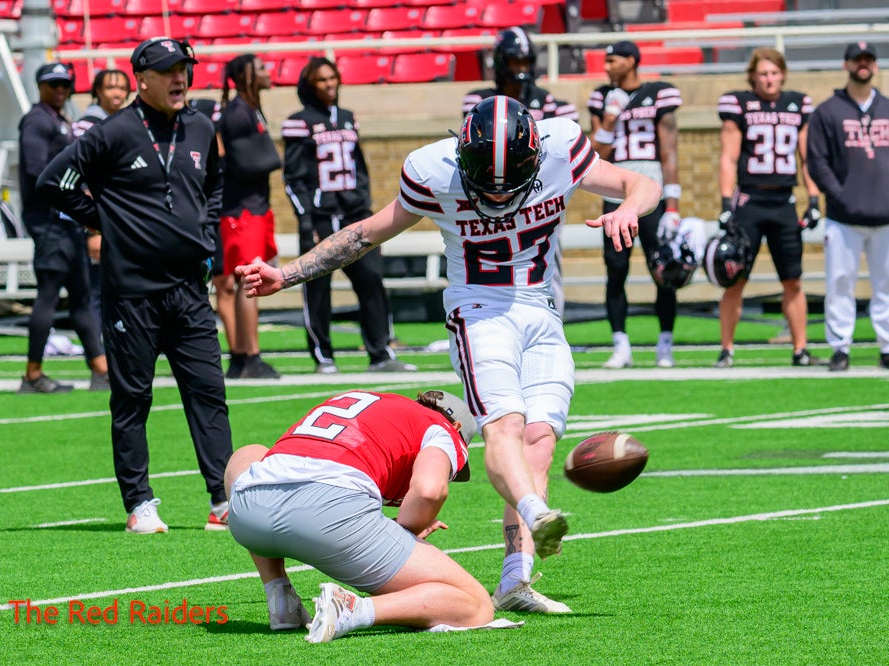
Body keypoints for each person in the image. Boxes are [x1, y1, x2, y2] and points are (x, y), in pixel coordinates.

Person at [237, 95, 662, 613]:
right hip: (480, 309)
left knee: (540, 442)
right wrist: (289, 273)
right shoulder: (432, 169)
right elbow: (365, 233)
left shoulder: (560, 146)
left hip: (544, 309)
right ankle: (537, 512)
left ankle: (516, 579)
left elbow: (641, 183)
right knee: (503, 426)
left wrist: (629, 208)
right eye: (487, 179)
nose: (500, 195)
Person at [37, 37, 234, 533]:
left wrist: (207, 231)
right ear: (141, 79)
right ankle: (140, 502)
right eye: (169, 70)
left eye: (185, 69)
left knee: (208, 392)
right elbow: (52, 181)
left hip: (189, 290)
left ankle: (223, 499)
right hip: (132, 292)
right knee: (132, 398)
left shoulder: (201, 126)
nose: (180, 78)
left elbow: (214, 184)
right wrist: (104, 218)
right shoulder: (115, 131)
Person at [224, 388, 493, 642]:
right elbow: (429, 490)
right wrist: (406, 529)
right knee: (474, 605)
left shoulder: (372, 402)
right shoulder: (442, 429)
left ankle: (279, 596)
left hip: (248, 508)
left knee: (252, 453)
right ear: (457, 427)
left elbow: (244, 457)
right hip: (325, 514)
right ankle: (352, 609)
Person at [282, 57, 416, 374]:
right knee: (317, 288)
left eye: (333, 78)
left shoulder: (347, 118)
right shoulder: (299, 122)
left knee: (371, 281)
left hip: (354, 215)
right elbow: (294, 178)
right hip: (320, 217)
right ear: (309, 85)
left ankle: (380, 353)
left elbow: (360, 167)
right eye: (322, 80)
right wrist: (305, 221)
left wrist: (364, 202)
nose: (330, 85)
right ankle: (323, 356)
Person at [712, 48, 824, 369]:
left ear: (783, 74)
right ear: (753, 76)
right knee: (736, 279)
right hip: (749, 201)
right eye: (763, 73)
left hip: (784, 202)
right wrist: (724, 202)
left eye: (774, 73)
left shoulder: (798, 104)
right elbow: (728, 157)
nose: (769, 79)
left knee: (793, 280)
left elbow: (807, 157)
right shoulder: (740, 104)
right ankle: (726, 349)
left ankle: (800, 349)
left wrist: (813, 199)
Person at [462, 27, 579, 316]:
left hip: (536, 198)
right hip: (491, 197)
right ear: (501, 63)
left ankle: (552, 323)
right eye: (515, 63)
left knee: (547, 263)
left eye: (525, 62)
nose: (521, 70)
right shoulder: (479, 100)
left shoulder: (548, 101)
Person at [587, 40, 682, 369]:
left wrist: (673, 204)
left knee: (664, 270)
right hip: (615, 194)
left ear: (631, 61)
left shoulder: (658, 93)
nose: (607, 66)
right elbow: (593, 156)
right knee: (616, 270)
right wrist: (610, 118)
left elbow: (669, 152)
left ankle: (665, 343)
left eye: (612, 60)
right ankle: (621, 344)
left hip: (651, 193)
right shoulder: (602, 97)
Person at [17, 62, 108, 394]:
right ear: (40, 86)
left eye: (64, 84)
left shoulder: (59, 120)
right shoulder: (37, 121)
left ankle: (101, 369)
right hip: (50, 223)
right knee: (49, 296)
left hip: (68, 224)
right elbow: (35, 171)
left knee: (82, 296)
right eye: (53, 84)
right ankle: (32, 374)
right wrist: (76, 189)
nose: (60, 89)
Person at [807, 42, 889, 372]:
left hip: (885, 216)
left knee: (886, 284)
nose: (863, 64)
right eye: (857, 59)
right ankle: (840, 347)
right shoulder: (828, 111)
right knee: (840, 281)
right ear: (846, 65)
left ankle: (887, 346)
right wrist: (840, 195)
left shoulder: (886, 108)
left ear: (875, 65)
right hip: (843, 218)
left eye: (868, 59)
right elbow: (817, 160)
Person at [213, 53, 281, 380]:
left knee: (243, 281)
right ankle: (251, 356)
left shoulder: (249, 107)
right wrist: (275, 157)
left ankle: (242, 356)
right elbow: (251, 162)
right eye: (262, 68)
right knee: (249, 282)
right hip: (242, 209)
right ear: (246, 75)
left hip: (254, 206)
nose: (268, 73)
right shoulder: (239, 112)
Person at [72, 68, 133, 328]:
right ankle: (102, 350)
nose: (117, 92)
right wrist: (93, 229)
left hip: (120, 221)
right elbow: (80, 176)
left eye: (121, 87)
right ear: (97, 91)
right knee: (99, 290)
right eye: (110, 87)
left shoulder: (123, 122)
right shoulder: (88, 125)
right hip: (99, 222)